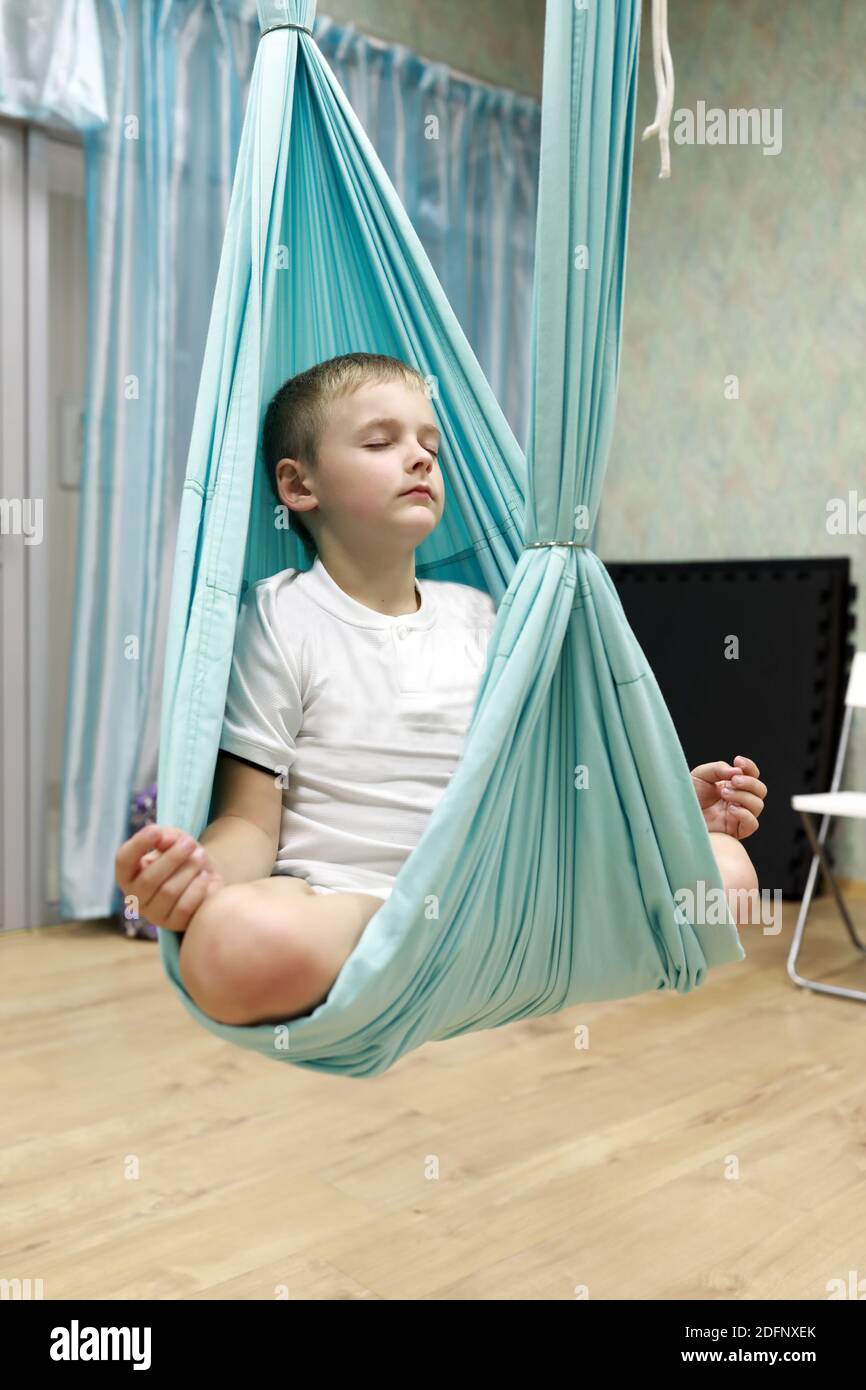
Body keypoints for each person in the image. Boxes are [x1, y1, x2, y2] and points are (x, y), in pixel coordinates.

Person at [115, 353, 766, 1027]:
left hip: (499, 889)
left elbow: (543, 784)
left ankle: (469, 946)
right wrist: (198, 880)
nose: (421, 459)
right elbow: (252, 820)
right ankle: (428, 956)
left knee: (725, 877)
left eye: (430, 446)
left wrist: (666, 816)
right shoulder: (280, 617)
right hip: (358, 905)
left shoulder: (485, 614)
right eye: (380, 441)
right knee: (230, 948)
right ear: (298, 484)